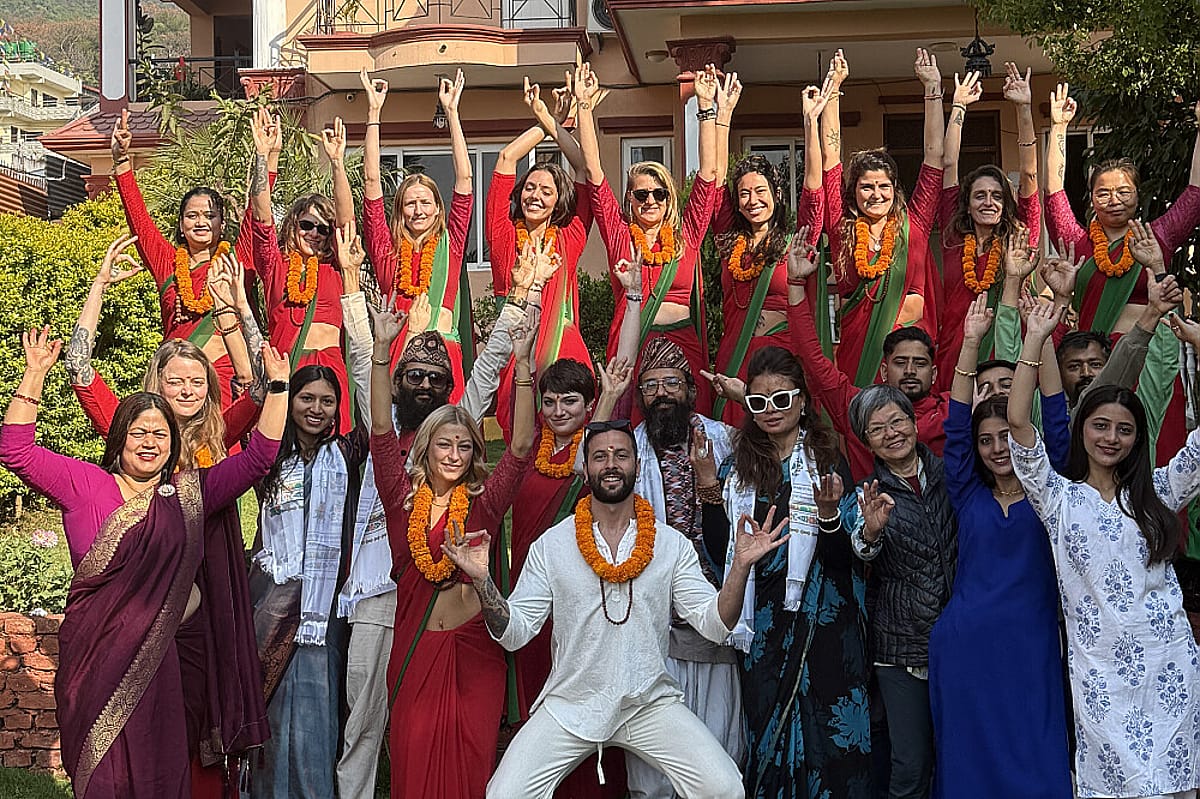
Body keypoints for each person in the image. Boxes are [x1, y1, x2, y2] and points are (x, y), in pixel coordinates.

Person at [0, 327, 291, 799]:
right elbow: (15, 450)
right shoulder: (86, 486)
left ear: (172, 444)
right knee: (105, 775)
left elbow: (259, 458)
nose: (150, 442)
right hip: (99, 662)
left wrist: (276, 388)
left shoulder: (190, 495)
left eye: (160, 434)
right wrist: (33, 376)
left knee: (164, 771)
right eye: (139, 432)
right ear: (119, 438)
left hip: (172, 662)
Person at [441, 420, 790, 799]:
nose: (611, 464)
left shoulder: (669, 544)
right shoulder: (552, 546)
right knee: (505, 794)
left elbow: (715, 623)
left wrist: (738, 568)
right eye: (600, 456)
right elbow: (516, 631)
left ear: (636, 465)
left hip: (648, 702)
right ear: (585, 467)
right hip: (571, 704)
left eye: (621, 455)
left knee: (723, 788)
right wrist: (482, 580)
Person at [335, 250, 545, 799]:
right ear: (425, 451)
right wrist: (380, 353)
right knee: (410, 768)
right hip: (415, 650)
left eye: (462, 445)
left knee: (471, 774)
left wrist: (523, 370)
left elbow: (521, 447)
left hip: (474, 654)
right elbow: (381, 429)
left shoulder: (482, 504)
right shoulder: (400, 497)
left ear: (474, 451)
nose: (453, 453)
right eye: (443, 445)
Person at [1008, 299, 1200, 799]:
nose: (1111, 437)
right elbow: (1018, 425)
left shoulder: (1157, 493)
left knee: (1178, 787)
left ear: (1138, 440)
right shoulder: (1058, 497)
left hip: (1170, 664)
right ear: (1081, 430)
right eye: (1100, 425)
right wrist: (1034, 338)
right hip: (1100, 676)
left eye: (1124, 429)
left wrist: (1199, 346)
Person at [695, 345, 872, 798]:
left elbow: (843, 559)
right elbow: (723, 553)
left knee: (833, 745)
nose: (770, 410)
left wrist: (831, 516)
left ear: (802, 401)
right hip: (764, 633)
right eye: (757, 402)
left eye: (781, 399)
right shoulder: (737, 468)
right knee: (769, 743)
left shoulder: (829, 463)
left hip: (826, 626)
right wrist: (709, 489)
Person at [926, 294, 1073, 798]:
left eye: (1005, 438)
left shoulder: (1049, 490)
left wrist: (1042, 336)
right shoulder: (967, 493)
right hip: (964, 646)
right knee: (968, 767)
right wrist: (969, 342)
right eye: (986, 440)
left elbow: (1054, 416)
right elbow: (957, 423)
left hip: (1029, 646)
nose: (997, 448)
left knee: (1038, 754)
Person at [245, 223, 369, 798]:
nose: (316, 409)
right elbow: (254, 384)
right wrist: (237, 314)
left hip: (325, 609)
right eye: (306, 399)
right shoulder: (268, 459)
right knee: (267, 720)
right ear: (289, 402)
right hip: (271, 604)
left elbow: (369, 386)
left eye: (326, 401)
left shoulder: (351, 454)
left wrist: (351, 293)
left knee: (320, 719)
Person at [1044, 90, 1200, 461]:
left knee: (1158, 447)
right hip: (1095, 364)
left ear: (1137, 195)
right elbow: (1053, 194)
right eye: (1103, 193)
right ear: (1092, 199)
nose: (1114, 199)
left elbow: (1195, 194)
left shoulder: (1157, 236)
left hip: (1151, 361)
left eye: (1123, 191)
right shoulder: (1078, 243)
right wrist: (1059, 127)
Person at [577, 61, 727, 415]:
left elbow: (707, 176)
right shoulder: (620, 236)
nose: (649, 201)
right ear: (630, 199)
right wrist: (584, 108)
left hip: (683, 343)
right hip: (633, 345)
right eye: (641, 194)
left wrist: (705, 107)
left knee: (690, 426)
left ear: (668, 198)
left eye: (658, 193)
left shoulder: (686, 234)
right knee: (632, 430)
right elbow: (595, 174)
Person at [109, 109, 278, 408]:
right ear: (181, 224)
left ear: (222, 224)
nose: (201, 222)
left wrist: (268, 157)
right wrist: (122, 161)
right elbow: (139, 220)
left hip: (228, 382)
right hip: (176, 385)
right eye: (192, 216)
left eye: (210, 216)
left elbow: (258, 213)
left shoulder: (236, 261)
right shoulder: (167, 262)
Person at [846, 384, 957, 799]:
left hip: (958, 639)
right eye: (877, 429)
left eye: (897, 421)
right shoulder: (868, 494)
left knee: (958, 756)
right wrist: (870, 533)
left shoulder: (951, 474)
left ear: (914, 423)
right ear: (867, 441)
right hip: (900, 648)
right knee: (911, 766)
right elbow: (859, 548)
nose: (892, 433)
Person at [65, 236, 264, 466]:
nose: (187, 391)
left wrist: (240, 307)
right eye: (176, 381)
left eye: (197, 382)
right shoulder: (130, 430)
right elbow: (77, 365)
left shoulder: (218, 433)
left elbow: (263, 383)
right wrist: (99, 286)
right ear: (158, 381)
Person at [345, 68, 475, 391]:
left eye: (425, 202)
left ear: (437, 209)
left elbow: (465, 182)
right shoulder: (387, 252)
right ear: (400, 211)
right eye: (410, 203)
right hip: (398, 363)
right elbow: (372, 182)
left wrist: (453, 113)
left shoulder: (452, 243)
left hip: (444, 358)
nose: (418, 210)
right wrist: (373, 112)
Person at [821, 49, 943, 387]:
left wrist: (932, 90)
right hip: (856, 356)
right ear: (854, 191)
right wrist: (832, 93)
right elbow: (831, 159)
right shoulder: (841, 227)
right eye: (866, 187)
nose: (876, 195)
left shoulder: (913, 224)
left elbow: (935, 158)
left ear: (894, 189)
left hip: (906, 361)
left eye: (883, 186)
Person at [710, 79, 829, 425]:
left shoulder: (798, 240)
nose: (753, 201)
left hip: (783, 359)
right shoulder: (729, 242)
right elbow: (715, 182)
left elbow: (814, 191)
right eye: (744, 194)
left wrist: (810, 123)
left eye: (760, 191)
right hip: (737, 359)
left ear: (776, 193)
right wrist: (723, 115)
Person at [786, 237, 948, 480]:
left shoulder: (952, 411)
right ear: (884, 371)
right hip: (872, 512)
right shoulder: (858, 408)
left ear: (934, 374)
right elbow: (812, 360)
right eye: (900, 363)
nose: (910, 370)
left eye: (920, 363)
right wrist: (796, 283)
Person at [486, 75, 594, 436]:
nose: (535, 195)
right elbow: (506, 157)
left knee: (570, 434)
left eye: (546, 191)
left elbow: (582, 168)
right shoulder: (503, 234)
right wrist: (542, 121)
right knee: (519, 437)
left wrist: (554, 122)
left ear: (558, 201)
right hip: (515, 344)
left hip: (563, 346)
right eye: (530, 187)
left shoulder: (569, 237)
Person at [934, 62, 1041, 388]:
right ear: (966, 203)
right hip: (955, 352)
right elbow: (948, 163)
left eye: (996, 195)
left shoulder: (1019, 237)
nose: (988, 202)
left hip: (1006, 350)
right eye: (979, 195)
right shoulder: (953, 238)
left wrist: (1023, 108)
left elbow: (1030, 174)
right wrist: (959, 106)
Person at [249, 107, 354, 432]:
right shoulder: (276, 265)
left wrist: (337, 164)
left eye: (323, 228)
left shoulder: (337, 267)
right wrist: (263, 157)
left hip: (332, 372)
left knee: (338, 460)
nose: (314, 233)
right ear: (292, 226)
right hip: (289, 370)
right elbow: (261, 217)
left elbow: (346, 222)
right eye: (307, 224)